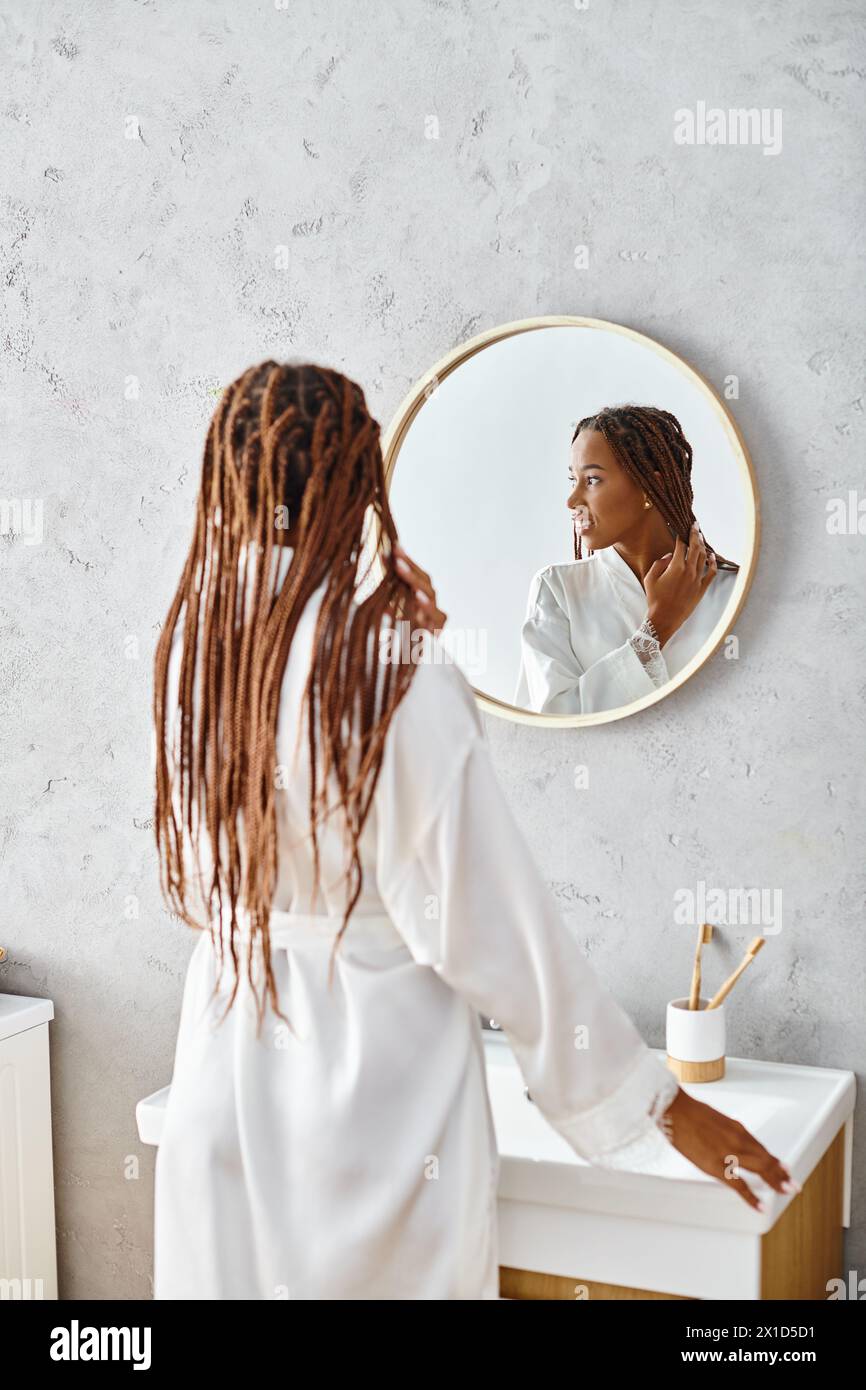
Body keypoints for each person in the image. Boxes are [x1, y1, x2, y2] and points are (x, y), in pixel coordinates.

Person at [151, 362, 793, 1300]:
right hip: (371, 1094)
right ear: (356, 485)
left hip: (220, 1064)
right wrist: (656, 1103)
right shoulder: (387, 666)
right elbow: (492, 921)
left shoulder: (199, 657)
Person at [514, 405, 740, 715]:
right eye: (573, 480)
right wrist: (657, 628)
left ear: (652, 485)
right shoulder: (557, 589)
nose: (571, 500)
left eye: (592, 480)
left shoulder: (732, 591)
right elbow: (555, 722)